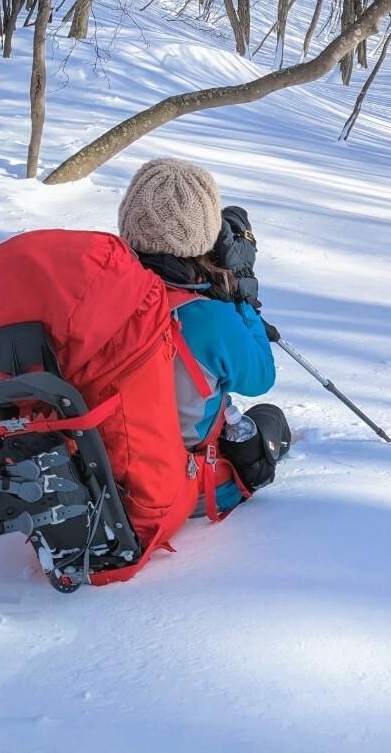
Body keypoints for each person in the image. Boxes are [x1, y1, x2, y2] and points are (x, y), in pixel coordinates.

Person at [117, 156, 290, 513]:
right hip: (178, 482)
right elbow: (259, 377)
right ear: (204, 236)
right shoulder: (208, 316)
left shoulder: (97, 297)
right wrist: (241, 296)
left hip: (102, 467)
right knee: (269, 419)